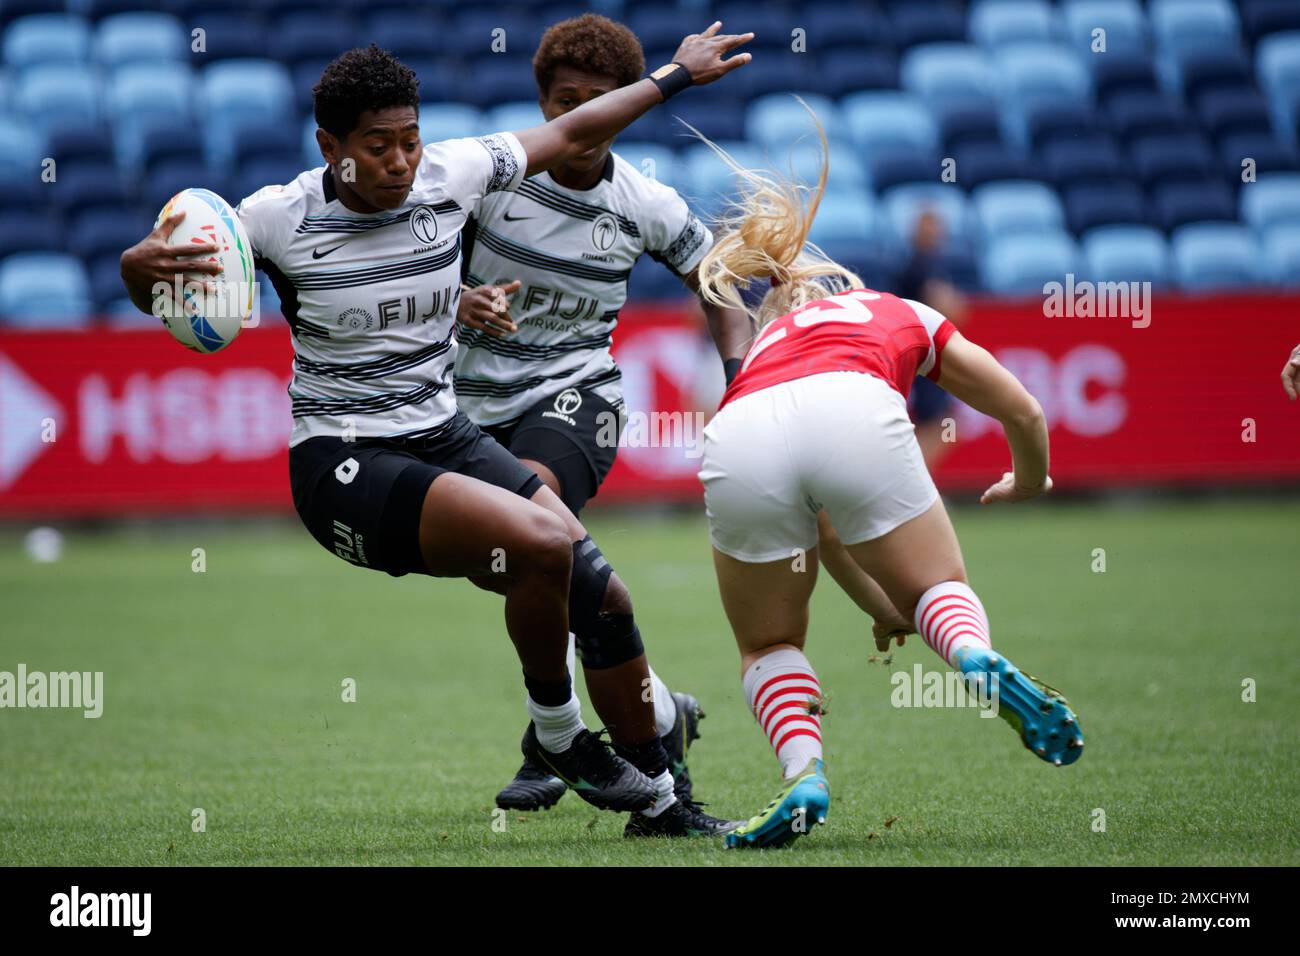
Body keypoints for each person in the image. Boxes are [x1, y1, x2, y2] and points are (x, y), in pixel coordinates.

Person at [119, 30, 752, 829]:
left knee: (604, 597)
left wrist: (673, 78)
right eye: (376, 146)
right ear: (330, 147)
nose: (399, 161)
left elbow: (570, 134)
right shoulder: (275, 219)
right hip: (343, 460)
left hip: (443, 433)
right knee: (543, 544)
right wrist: (137, 272)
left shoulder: (454, 173)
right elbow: (177, 283)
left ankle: (661, 799)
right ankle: (557, 734)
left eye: (409, 141)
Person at [690, 116, 1084, 849]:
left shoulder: (766, 346)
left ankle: (804, 773)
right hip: (853, 408)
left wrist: (880, 607)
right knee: (940, 585)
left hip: (740, 432)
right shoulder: (898, 311)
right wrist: (1029, 480)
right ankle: (969, 654)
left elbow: (829, 535)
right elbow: (1022, 409)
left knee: (767, 641)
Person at [452, 14, 753, 831]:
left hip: (573, 397)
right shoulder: (490, 180)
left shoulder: (644, 202)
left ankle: (560, 739)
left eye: (595, 100)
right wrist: (455, 302)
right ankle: (653, 716)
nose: (576, 117)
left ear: (624, 104)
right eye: (563, 102)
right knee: (523, 568)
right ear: (544, 105)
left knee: (533, 514)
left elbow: (720, 283)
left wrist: (739, 378)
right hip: (463, 413)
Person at [895, 208, 968, 469]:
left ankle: (918, 482)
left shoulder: (932, 265)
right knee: (937, 425)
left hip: (924, 354)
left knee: (940, 426)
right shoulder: (920, 265)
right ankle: (913, 480)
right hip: (925, 354)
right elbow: (948, 308)